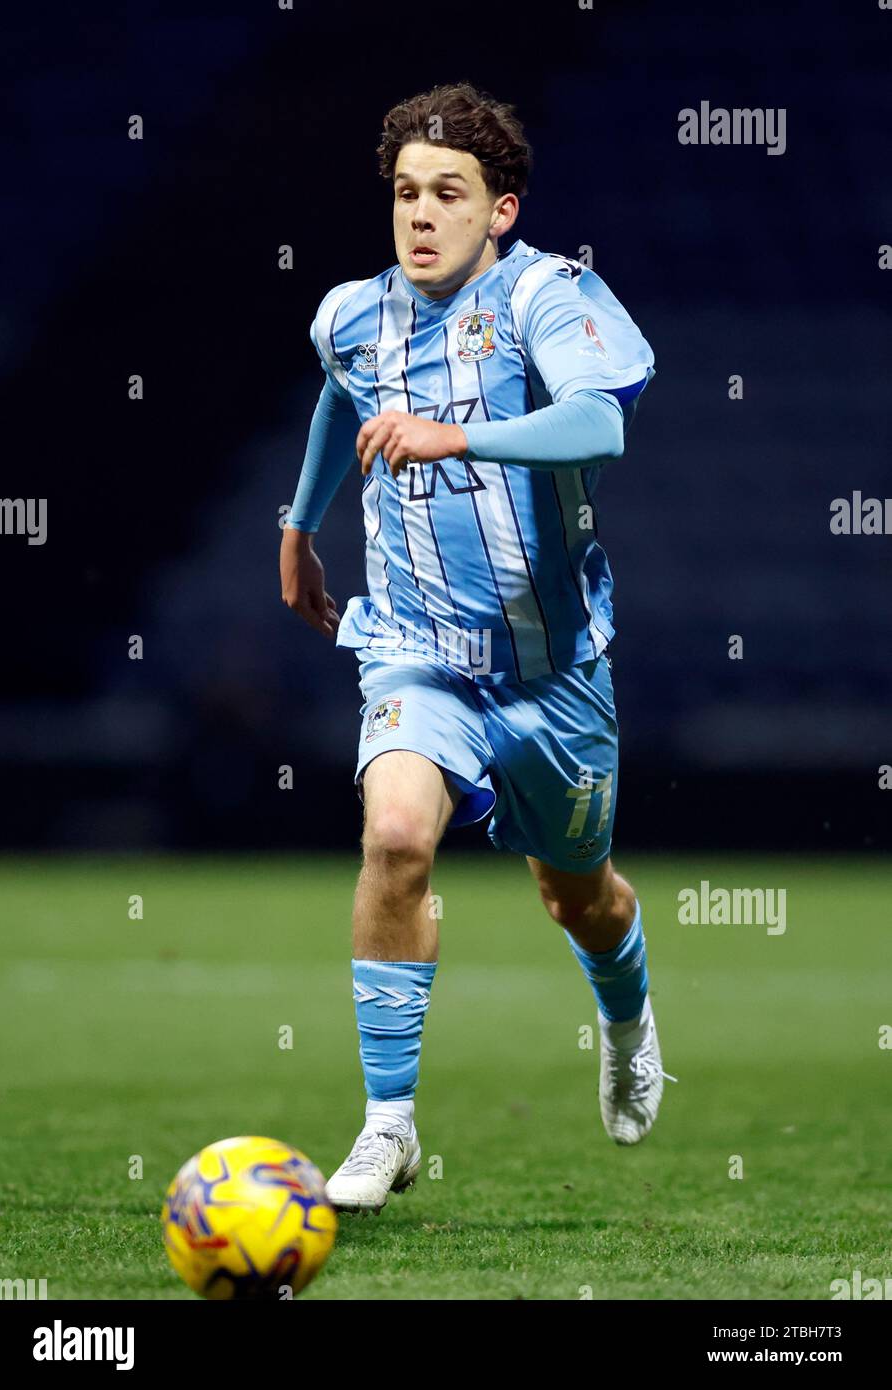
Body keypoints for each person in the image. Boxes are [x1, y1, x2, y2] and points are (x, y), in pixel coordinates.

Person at [280, 82, 672, 1214]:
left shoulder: (551, 296)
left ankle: (627, 1019)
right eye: (405, 192)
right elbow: (336, 395)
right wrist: (301, 525)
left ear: (500, 209)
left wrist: (460, 433)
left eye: (448, 193)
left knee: (579, 894)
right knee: (396, 835)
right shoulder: (352, 312)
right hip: (415, 651)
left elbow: (602, 422)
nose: (420, 214)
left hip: (553, 673)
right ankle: (388, 1125)